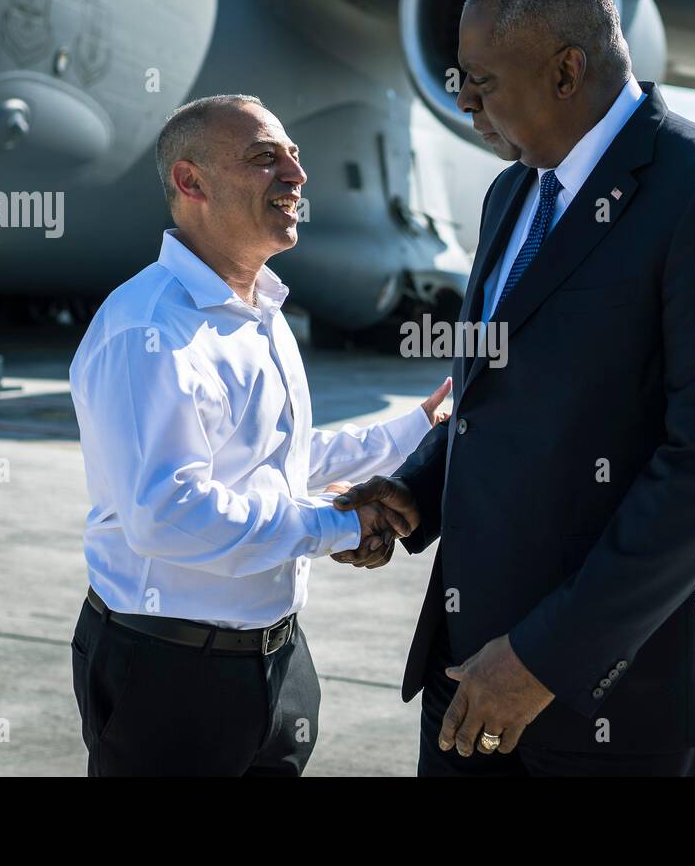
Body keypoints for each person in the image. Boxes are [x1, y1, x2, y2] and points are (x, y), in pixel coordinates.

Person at [334, 0, 695, 776]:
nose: (463, 100)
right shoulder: (511, 192)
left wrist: (546, 658)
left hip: (616, 691)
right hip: (470, 664)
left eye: (481, 81)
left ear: (566, 71)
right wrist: (415, 487)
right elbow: (492, 389)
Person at [68, 94, 449, 775]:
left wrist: (414, 431)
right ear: (192, 183)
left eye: (294, 158)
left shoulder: (261, 308)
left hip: (278, 660)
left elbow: (281, 462)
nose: (297, 177)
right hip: (171, 672)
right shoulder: (148, 328)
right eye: (265, 159)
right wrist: (338, 528)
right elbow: (168, 515)